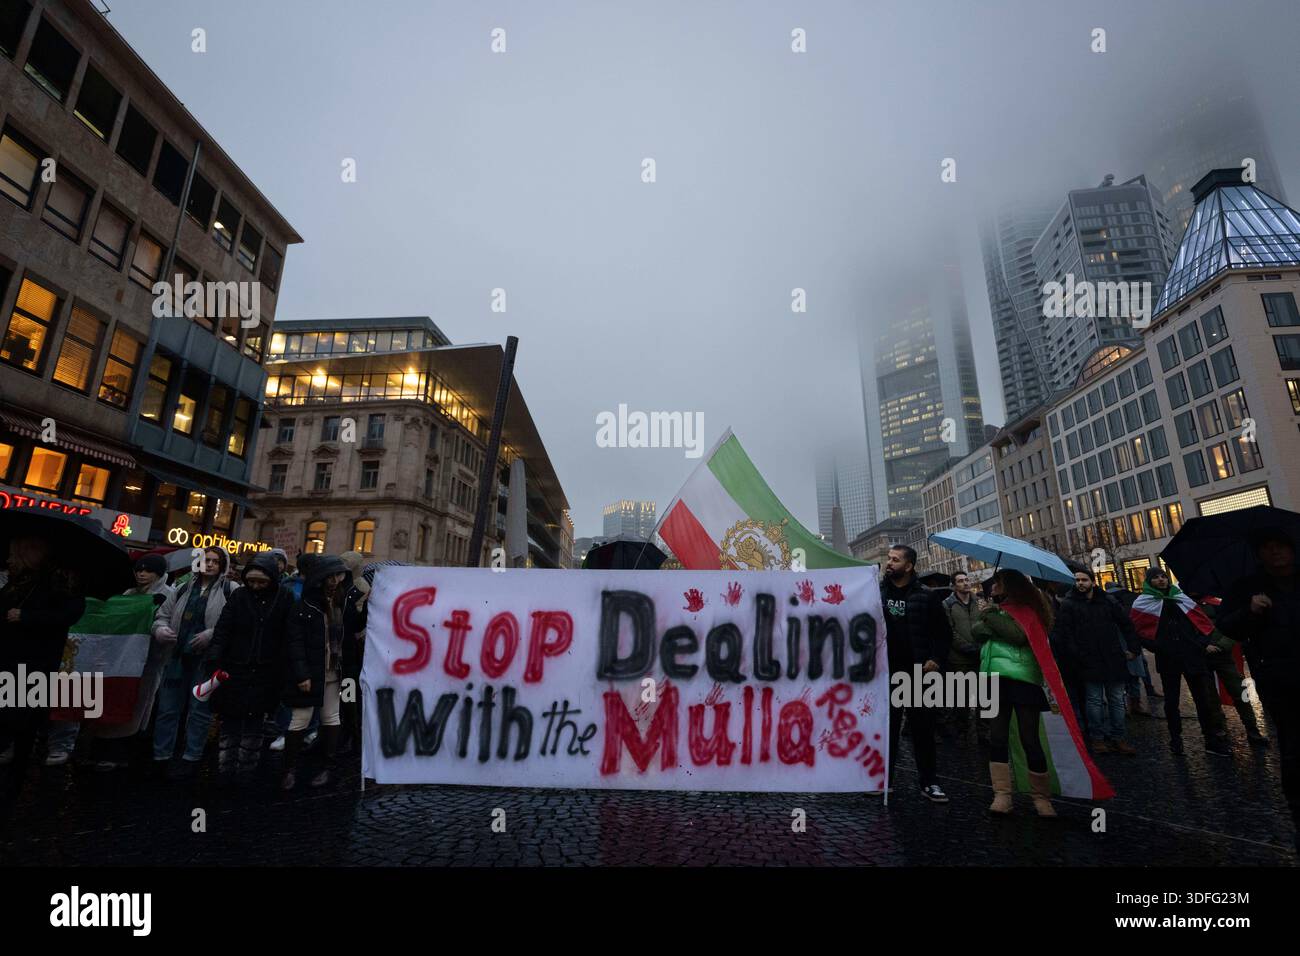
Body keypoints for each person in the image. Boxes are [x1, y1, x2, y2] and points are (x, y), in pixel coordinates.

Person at [43, 553, 174, 768]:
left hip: (148, 661)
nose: (142, 574)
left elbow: (167, 621)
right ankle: (101, 751)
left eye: (148, 570)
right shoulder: (128, 593)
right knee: (114, 700)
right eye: (139, 570)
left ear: (159, 574)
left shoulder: (170, 595)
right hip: (122, 660)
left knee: (137, 706)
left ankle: (123, 753)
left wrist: (158, 627)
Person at [1218, 530, 1300, 851]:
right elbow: (1226, 626)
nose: (1277, 552)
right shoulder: (1248, 587)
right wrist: (1250, 611)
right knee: (1294, 749)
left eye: (1282, 545)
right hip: (1280, 683)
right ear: (1260, 554)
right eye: (1269, 548)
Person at [0, 537, 86, 796]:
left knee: (23, 721)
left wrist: (27, 617)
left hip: (36, 663)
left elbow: (69, 614)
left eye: (16, 552)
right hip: (9, 660)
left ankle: (15, 777)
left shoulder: (62, 581)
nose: (10, 558)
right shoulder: (21, 580)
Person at [973, 569, 1057, 817]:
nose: (993, 587)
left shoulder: (1028, 610)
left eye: (997, 583)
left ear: (1009, 586)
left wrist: (990, 616)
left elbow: (1018, 635)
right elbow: (976, 631)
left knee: (1029, 738)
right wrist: (993, 618)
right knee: (997, 737)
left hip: (1023, 680)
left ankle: (1041, 797)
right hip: (994, 678)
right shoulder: (997, 610)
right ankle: (1002, 794)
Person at [204, 553, 293, 785]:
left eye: (261, 582)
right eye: (251, 581)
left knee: (254, 722)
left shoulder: (284, 597)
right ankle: (226, 767)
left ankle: (246, 769)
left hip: (266, 670)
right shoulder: (239, 596)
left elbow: (288, 635)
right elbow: (223, 630)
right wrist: (215, 659)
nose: (255, 586)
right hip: (235, 667)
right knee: (230, 719)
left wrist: (284, 667)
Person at [150, 546, 236, 779]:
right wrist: (161, 630)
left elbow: (235, 623)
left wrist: (212, 634)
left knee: (200, 710)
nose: (209, 565)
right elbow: (162, 616)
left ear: (222, 565)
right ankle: (162, 754)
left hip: (207, 661)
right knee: (168, 708)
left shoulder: (230, 590)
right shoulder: (182, 588)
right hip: (176, 656)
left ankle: (192, 756)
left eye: (214, 561)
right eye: (205, 560)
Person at [1131, 567, 1230, 758]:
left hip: (1192, 656)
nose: (1161, 580)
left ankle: (1211, 740)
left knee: (1203, 700)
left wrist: (1198, 644)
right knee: (1171, 701)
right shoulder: (1143, 603)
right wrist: (1157, 646)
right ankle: (1175, 740)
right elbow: (1139, 630)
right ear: (1148, 582)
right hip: (1168, 659)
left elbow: (1201, 624)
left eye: (1163, 576)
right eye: (1156, 578)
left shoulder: (1181, 598)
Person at [881, 544, 952, 803]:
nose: (889, 563)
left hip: (918, 674)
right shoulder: (877, 593)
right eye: (888, 559)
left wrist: (936, 658)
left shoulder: (926, 596)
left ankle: (929, 782)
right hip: (887, 672)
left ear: (909, 566)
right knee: (886, 730)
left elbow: (943, 634)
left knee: (923, 731)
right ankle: (884, 781)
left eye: (895, 560)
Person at [280, 553, 350, 790]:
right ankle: (289, 770)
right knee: (300, 719)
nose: (334, 583)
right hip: (310, 673)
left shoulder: (339, 604)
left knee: (331, 717)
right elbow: (294, 643)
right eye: (330, 578)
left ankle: (328, 768)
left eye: (338, 578)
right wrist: (302, 675)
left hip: (333, 672)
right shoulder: (304, 606)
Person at [1054, 568, 1140, 756]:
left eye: (1084, 580)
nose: (1080, 583)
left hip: (1112, 657)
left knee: (1116, 700)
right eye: (1077, 580)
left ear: (1092, 581)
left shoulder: (1108, 601)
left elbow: (1126, 624)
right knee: (1094, 701)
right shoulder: (1069, 604)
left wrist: (1133, 648)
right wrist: (1076, 655)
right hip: (1088, 660)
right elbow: (1064, 634)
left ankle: (1118, 737)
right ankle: (1097, 738)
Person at [1193, 593, 1267, 745]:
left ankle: (1252, 729)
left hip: (1223, 657)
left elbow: (1233, 626)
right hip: (1201, 657)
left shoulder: (1218, 604)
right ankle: (1219, 728)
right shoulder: (1184, 606)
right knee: (1210, 697)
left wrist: (1221, 645)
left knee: (1240, 692)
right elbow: (1184, 632)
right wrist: (1202, 646)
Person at [942, 571, 985, 740]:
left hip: (980, 657)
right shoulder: (947, 604)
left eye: (967, 580)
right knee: (963, 700)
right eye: (960, 581)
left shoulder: (979, 603)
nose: (965, 583)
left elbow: (986, 625)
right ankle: (962, 730)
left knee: (984, 697)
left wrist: (980, 646)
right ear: (954, 585)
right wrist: (967, 647)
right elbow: (949, 631)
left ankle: (983, 731)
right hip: (959, 660)